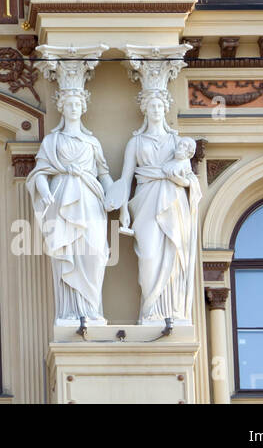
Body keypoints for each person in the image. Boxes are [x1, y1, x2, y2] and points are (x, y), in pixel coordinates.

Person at [25, 86, 119, 325]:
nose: (74, 108)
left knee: (96, 254)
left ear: (83, 107)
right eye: (69, 104)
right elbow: (40, 173)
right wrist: (45, 193)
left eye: (77, 104)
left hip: (90, 200)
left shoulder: (92, 142)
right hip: (61, 199)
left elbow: (103, 173)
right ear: (62, 108)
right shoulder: (52, 141)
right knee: (67, 253)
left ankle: (91, 308)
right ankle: (70, 312)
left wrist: (115, 195)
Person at [115, 91, 202, 325]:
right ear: (145, 109)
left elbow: (190, 180)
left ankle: (170, 312)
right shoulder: (136, 142)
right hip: (144, 200)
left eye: (159, 105)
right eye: (151, 106)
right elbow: (125, 179)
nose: (155, 110)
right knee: (149, 256)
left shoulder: (177, 142)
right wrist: (123, 210)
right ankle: (150, 309)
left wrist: (178, 180)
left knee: (173, 253)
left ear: (165, 109)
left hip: (174, 201)